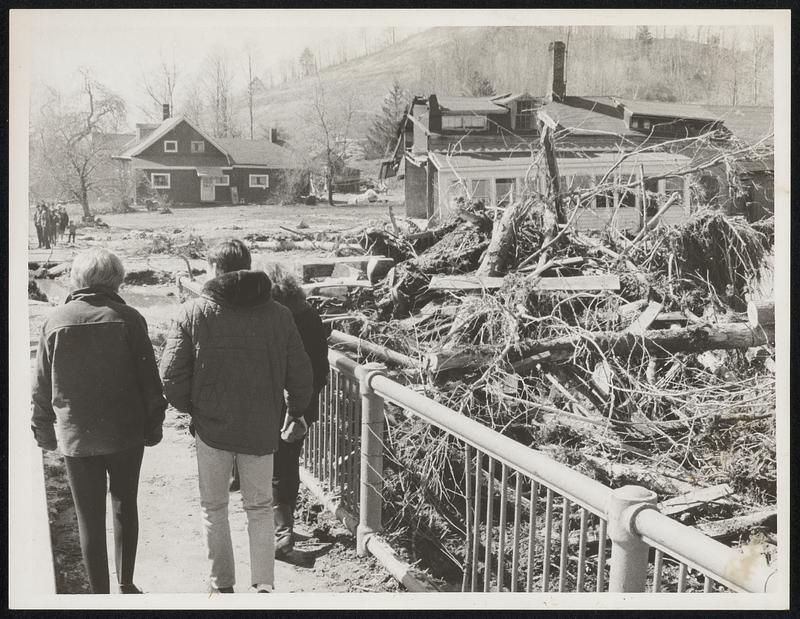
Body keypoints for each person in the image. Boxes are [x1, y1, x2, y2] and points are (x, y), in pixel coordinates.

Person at [160, 239, 313, 594]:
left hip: (211, 431)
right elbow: (301, 374)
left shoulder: (193, 312)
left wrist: (194, 409)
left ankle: (222, 585)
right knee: (259, 507)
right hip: (261, 430)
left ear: (214, 270)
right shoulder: (278, 314)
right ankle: (263, 585)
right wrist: (295, 411)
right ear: (248, 265)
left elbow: (170, 377)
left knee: (214, 508)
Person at [31, 248, 167, 594]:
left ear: (78, 279)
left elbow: (42, 386)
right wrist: (154, 426)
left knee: (87, 516)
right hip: (125, 433)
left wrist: (43, 430)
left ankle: (99, 593)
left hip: (77, 436)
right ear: (116, 280)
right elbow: (150, 382)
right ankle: (126, 582)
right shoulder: (129, 318)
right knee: (125, 504)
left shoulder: (55, 320)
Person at [261, 263, 329, 565]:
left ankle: (281, 534)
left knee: (275, 468)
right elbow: (322, 368)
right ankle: (283, 528)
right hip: (304, 404)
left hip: (275, 403)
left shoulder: (271, 319)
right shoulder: (310, 316)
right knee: (289, 465)